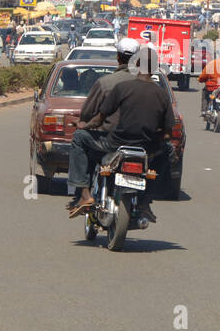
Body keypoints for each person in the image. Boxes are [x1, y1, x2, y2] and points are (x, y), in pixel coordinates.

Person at [67, 45, 175, 223]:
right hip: (146, 148)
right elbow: (168, 133)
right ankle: (146, 201)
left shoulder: (123, 88)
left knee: (79, 139)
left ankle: (84, 194)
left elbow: (99, 119)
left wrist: (82, 126)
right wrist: (154, 143)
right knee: (169, 151)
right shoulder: (162, 94)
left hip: (114, 144)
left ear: (136, 63)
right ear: (155, 68)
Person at [198, 46, 220, 117]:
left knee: (205, 93)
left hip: (212, 87)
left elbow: (203, 75)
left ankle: (204, 111)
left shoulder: (212, 63)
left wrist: (200, 79)